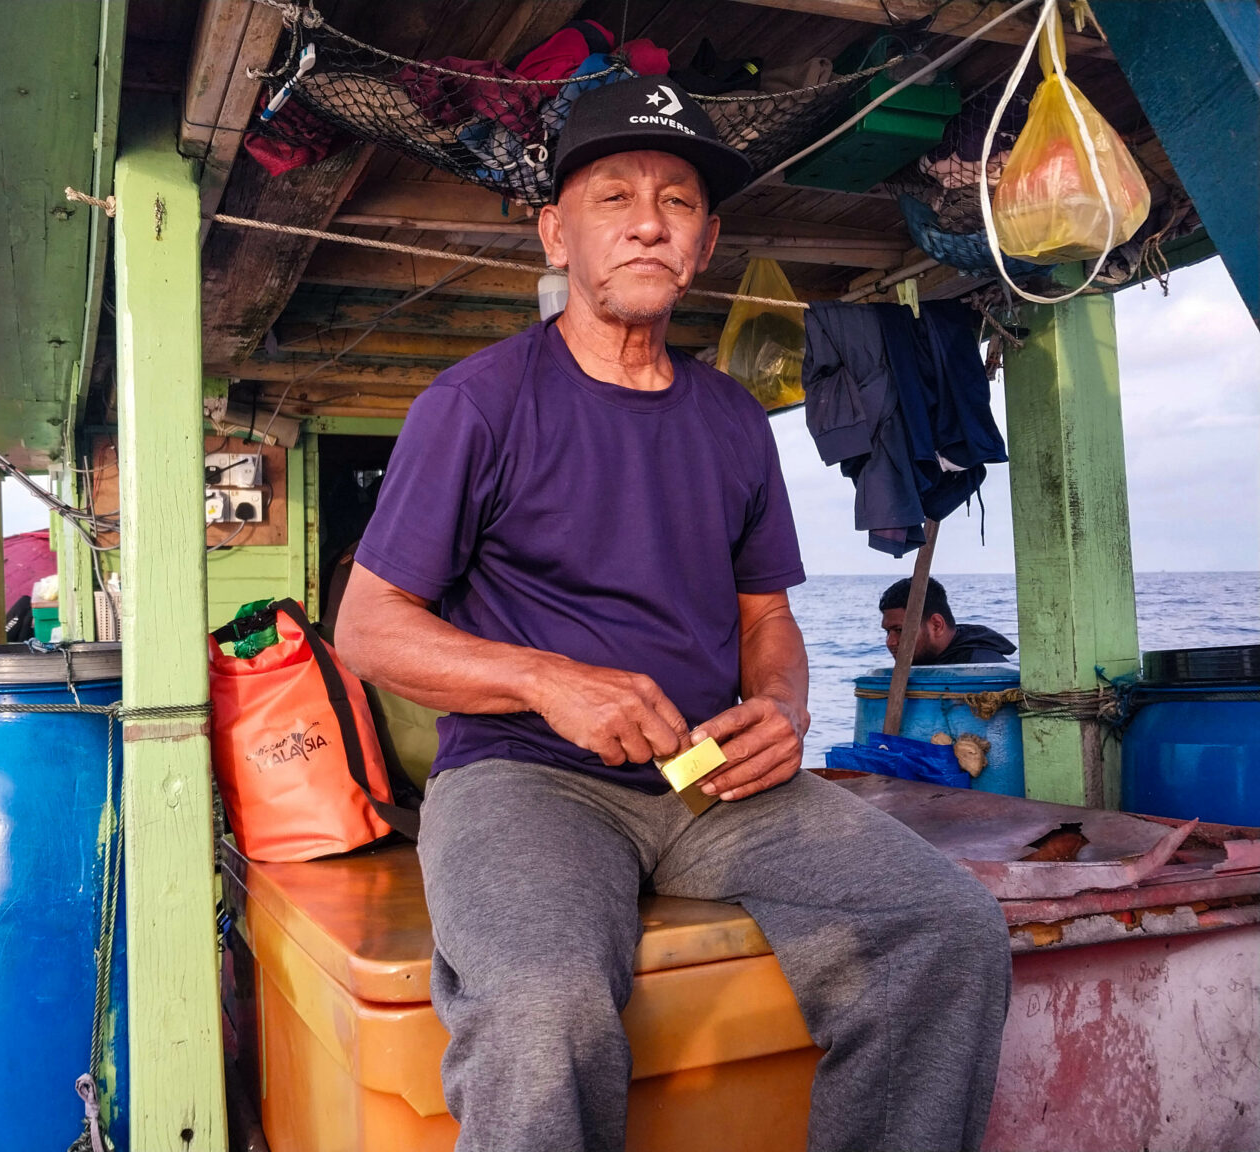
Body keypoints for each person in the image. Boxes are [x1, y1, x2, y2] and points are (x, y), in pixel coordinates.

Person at [335, 75, 1010, 1152]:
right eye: (614, 196)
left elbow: (765, 622)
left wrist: (783, 707)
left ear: (703, 246)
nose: (649, 219)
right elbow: (368, 628)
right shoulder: (475, 404)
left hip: (707, 780)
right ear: (558, 236)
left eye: (678, 201)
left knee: (948, 929)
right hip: (523, 780)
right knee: (541, 1006)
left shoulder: (736, 423)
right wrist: (548, 682)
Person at [880, 577, 1017, 665]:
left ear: (937, 625)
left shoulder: (982, 669)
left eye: (900, 630)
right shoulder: (924, 662)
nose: (891, 642)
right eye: (888, 632)